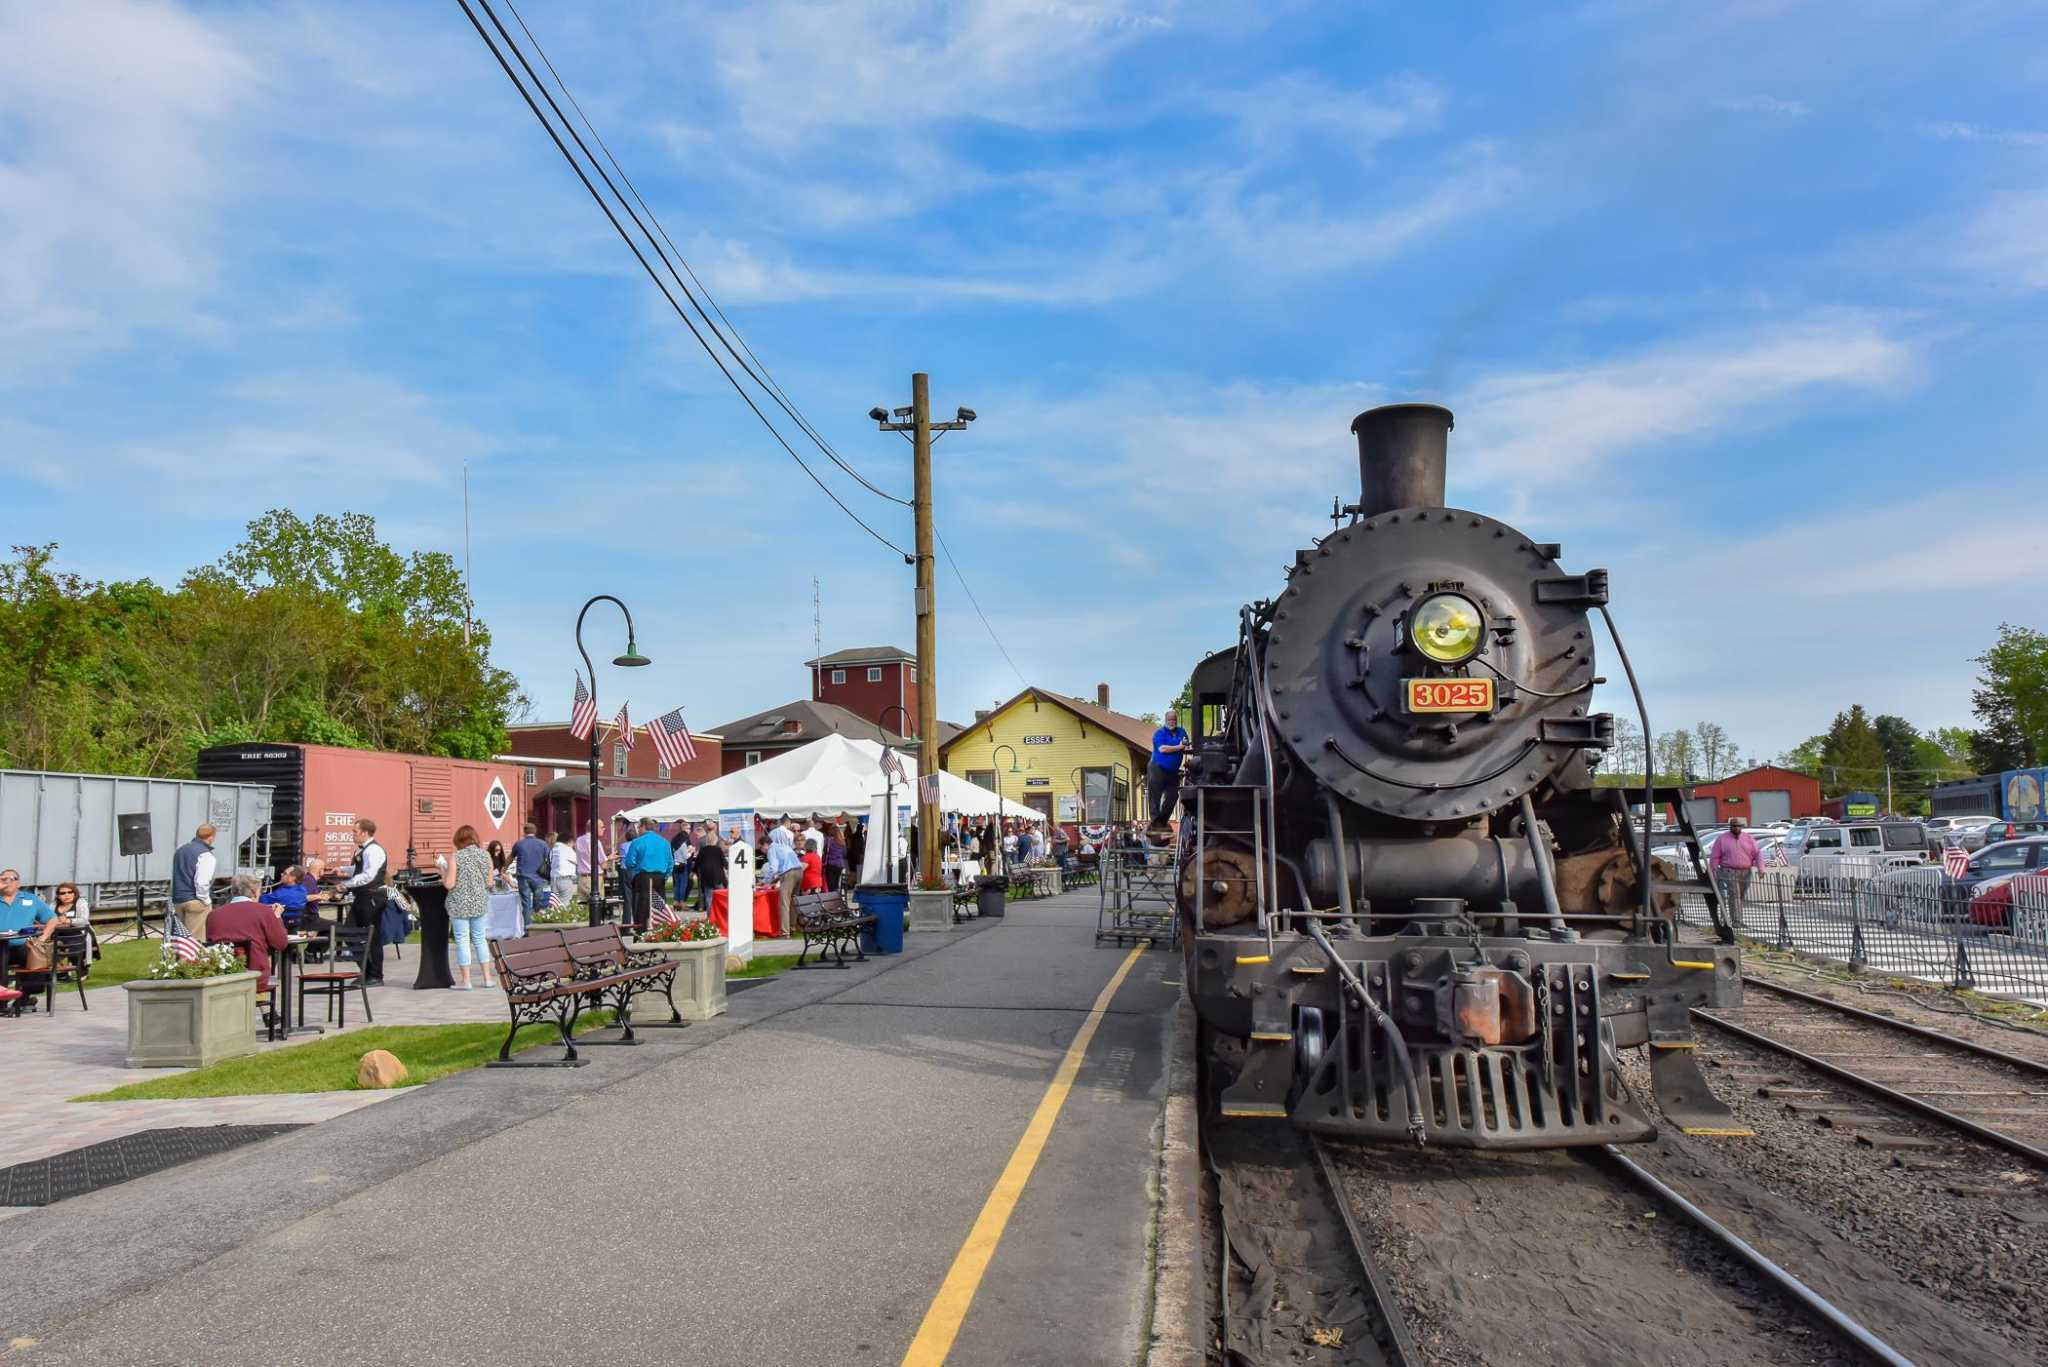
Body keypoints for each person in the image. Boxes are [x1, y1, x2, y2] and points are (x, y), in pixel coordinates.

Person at [205, 876, 290, 994]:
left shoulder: (213, 915)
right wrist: (277, 917)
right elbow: (280, 943)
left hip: (220, 975)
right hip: (254, 975)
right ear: (254, 892)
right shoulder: (264, 911)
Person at [443, 824, 496, 990]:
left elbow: (449, 884)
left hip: (459, 905)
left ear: (458, 840)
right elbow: (489, 882)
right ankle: (488, 978)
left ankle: (466, 981)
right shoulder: (485, 855)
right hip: (479, 903)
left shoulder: (456, 856)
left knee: (462, 941)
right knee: (480, 939)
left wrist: (442, 870)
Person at [338, 818, 389, 985]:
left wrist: (346, 884)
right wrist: (343, 869)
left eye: (355, 831)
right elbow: (360, 868)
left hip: (372, 896)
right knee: (347, 931)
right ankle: (366, 970)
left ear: (364, 833)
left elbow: (369, 875)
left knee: (371, 937)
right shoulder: (362, 850)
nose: (352, 834)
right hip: (362, 896)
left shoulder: (373, 850)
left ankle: (375, 975)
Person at [0, 869, 57, 988]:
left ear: (18, 883)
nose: (7, 882)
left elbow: (52, 919)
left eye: (11, 879)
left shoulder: (31, 899)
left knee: (34, 955)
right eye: (3, 879)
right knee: (2, 954)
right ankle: (3, 996)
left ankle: (26, 995)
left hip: (23, 946)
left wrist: (43, 937)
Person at [620, 817, 675, 933]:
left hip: (642, 877)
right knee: (659, 907)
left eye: (638, 827)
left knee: (641, 907)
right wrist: (665, 876)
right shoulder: (664, 842)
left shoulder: (637, 842)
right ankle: (659, 932)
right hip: (659, 878)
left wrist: (636, 867)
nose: (638, 830)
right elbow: (670, 863)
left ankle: (640, 932)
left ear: (643, 827)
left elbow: (629, 862)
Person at [1709, 818, 1765, 926]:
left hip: (1746, 872)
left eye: (1738, 826)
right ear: (1730, 827)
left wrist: (1761, 869)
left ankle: (1737, 918)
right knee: (1734, 895)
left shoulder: (1748, 838)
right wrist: (1714, 870)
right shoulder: (1722, 839)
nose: (1736, 828)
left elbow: (1757, 854)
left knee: (1741, 896)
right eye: (1734, 826)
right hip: (1729, 871)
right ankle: (1736, 921)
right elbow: (1715, 857)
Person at [169, 823, 218, 941]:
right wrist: (206, 901)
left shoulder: (180, 850)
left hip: (178, 899)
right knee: (196, 941)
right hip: (195, 900)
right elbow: (202, 882)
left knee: (180, 940)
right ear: (211, 837)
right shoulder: (206, 855)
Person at [1148, 708, 1190, 828]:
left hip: (1172, 771)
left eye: (1174, 719)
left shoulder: (1181, 731)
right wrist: (1179, 747)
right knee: (1155, 795)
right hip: (1157, 768)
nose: (1172, 722)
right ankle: (1155, 821)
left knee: (1173, 796)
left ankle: (1162, 821)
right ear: (1166, 720)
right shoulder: (1159, 733)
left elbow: (1186, 742)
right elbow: (1162, 749)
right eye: (1170, 720)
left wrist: (1184, 745)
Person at [763, 826, 803, 928]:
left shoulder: (772, 849)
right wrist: (773, 880)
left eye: (761, 848)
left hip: (789, 873)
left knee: (784, 903)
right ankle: (793, 926)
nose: (762, 851)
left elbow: (773, 869)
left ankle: (785, 932)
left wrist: (765, 881)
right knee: (793, 900)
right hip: (799, 870)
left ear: (765, 845)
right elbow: (782, 869)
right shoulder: (783, 846)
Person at [510, 823, 549, 918]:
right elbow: (549, 859)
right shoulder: (543, 844)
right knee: (538, 902)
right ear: (535, 831)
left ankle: (527, 925)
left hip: (523, 877)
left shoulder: (519, 844)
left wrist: (504, 869)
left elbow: (510, 858)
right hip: (538, 878)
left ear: (524, 831)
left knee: (526, 904)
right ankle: (537, 921)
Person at [694, 828, 727, 911]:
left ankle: (710, 915)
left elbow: (697, 862)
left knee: (709, 897)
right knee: (722, 895)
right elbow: (724, 862)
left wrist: (693, 871)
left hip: (706, 877)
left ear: (707, 841)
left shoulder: (703, 851)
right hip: (718, 877)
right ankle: (722, 912)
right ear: (715, 840)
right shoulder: (718, 850)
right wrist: (728, 868)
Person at [573, 827, 607, 900]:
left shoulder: (579, 840)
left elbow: (586, 857)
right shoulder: (595, 841)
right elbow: (604, 865)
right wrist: (607, 861)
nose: (604, 829)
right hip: (594, 879)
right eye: (602, 827)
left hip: (582, 878)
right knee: (598, 903)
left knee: (583, 904)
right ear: (595, 827)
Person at [549, 831, 577, 910]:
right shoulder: (568, 850)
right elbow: (578, 862)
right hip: (565, 879)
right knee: (565, 903)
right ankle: (562, 916)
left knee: (554, 904)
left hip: (553, 879)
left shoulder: (553, 850)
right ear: (569, 841)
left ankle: (552, 915)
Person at [823, 823, 849, 892]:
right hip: (840, 864)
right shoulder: (842, 841)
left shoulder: (828, 840)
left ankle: (832, 896)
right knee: (836, 884)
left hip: (831, 864)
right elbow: (844, 854)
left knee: (830, 884)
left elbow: (825, 851)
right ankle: (836, 895)